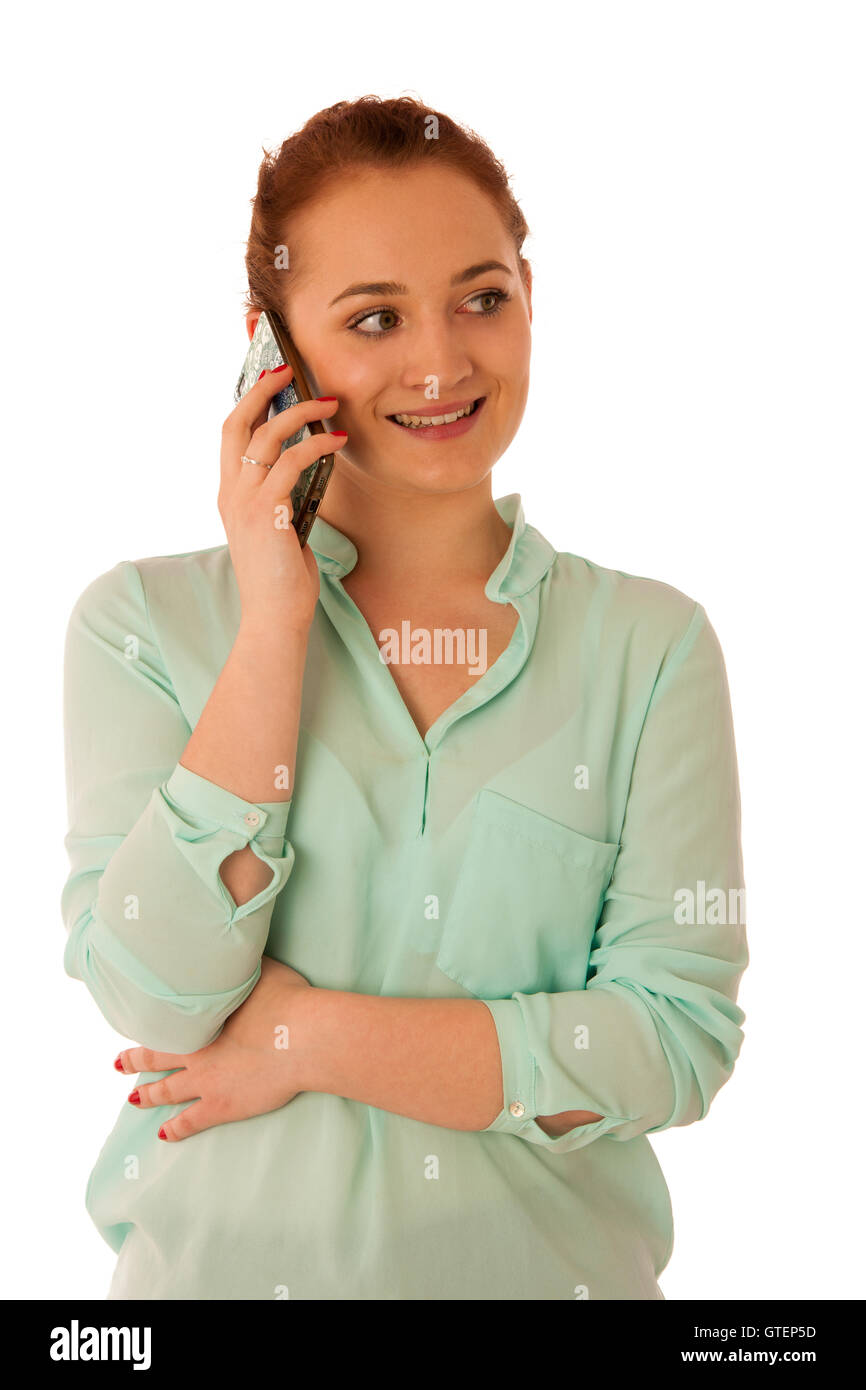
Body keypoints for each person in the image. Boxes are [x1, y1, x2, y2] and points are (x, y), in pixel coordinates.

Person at [60, 95, 748, 1301]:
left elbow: (668, 1046)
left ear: (530, 296)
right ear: (270, 348)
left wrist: (306, 1037)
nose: (441, 361)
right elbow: (156, 993)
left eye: (480, 297)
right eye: (373, 317)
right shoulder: (141, 628)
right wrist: (272, 621)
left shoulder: (652, 649)